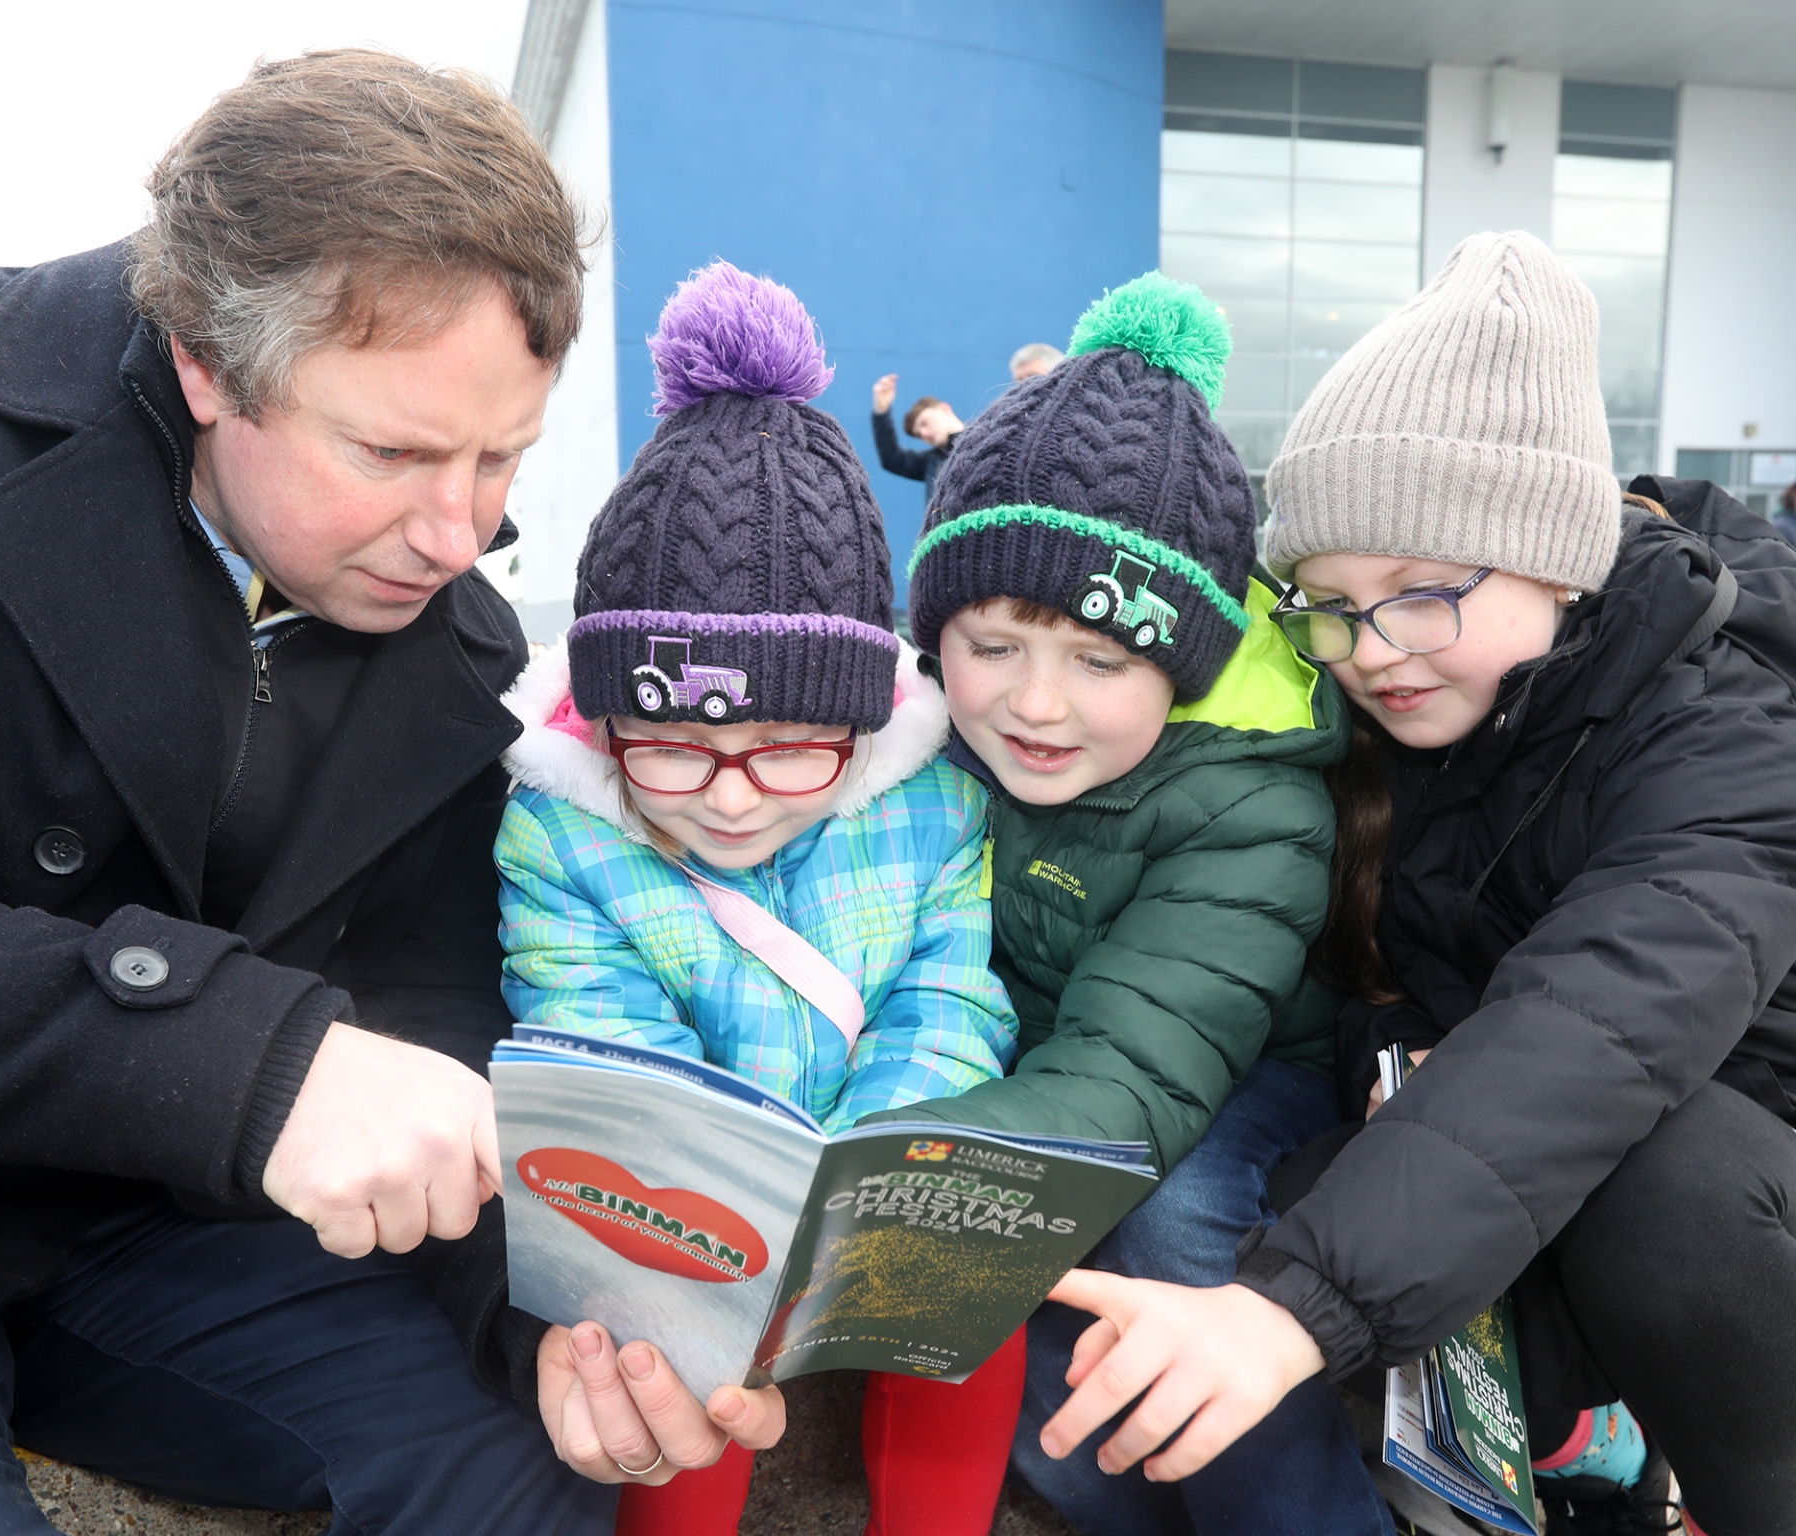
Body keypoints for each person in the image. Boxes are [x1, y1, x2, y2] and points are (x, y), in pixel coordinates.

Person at [0, 49, 783, 1535]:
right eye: (394, 451)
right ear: (204, 360)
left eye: (506, 457)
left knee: (512, 1478)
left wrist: (555, 1323)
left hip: (150, 1228)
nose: (459, 532)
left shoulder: (458, 651)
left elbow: (433, 1022)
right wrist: (244, 1059)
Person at [1030, 232, 1796, 1536]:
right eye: (1328, 603)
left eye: (1417, 594)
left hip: (1729, 1198)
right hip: (1517, 1161)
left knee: (1663, 1195)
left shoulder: (1727, 725)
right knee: (1247, 1199)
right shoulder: (1411, 700)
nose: (1368, 648)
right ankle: (1564, 1468)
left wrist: (1290, 1310)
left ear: (1556, 553)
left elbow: (1595, 1022)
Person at [496, 262, 1024, 1536]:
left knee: (976, 1304)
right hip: (691, 1201)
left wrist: (884, 1158)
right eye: (671, 747)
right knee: (671, 1346)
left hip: (865, 1180)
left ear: (864, 720)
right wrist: (730, 1200)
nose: (732, 800)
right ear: (605, 717)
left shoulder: (931, 800)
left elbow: (950, 991)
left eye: (791, 749)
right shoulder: (562, 829)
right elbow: (601, 1036)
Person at [894, 268, 1392, 1535]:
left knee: (1169, 1219)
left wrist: (913, 1166)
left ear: (1184, 662)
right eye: (991, 645)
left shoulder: (1251, 801)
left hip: (1230, 1078)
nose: (1035, 704)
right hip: (1042, 1058)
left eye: (1102, 661)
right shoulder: (924, 748)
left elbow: (1141, 1071)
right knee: (1035, 1366)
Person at [871, 372, 964, 503]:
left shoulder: (983, 441)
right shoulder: (932, 461)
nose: (924, 434)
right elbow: (892, 458)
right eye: (919, 434)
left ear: (944, 408)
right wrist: (881, 409)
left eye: (925, 423)